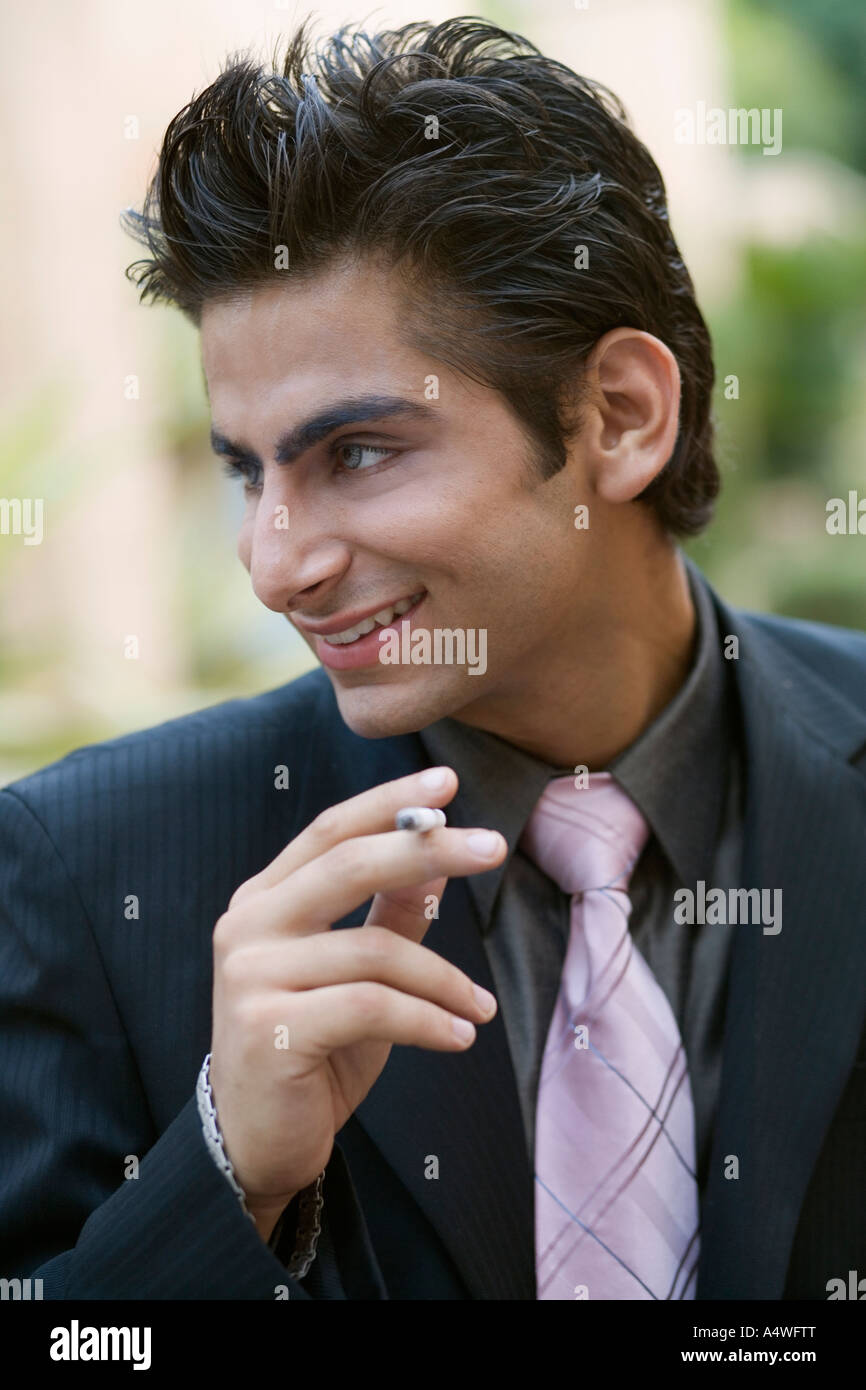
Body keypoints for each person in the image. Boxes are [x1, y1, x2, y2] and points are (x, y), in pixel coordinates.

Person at [1, 15, 864, 1302]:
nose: (273, 563)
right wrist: (229, 1173)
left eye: (354, 452)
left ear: (619, 416)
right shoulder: (85, 868)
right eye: (248, 470)